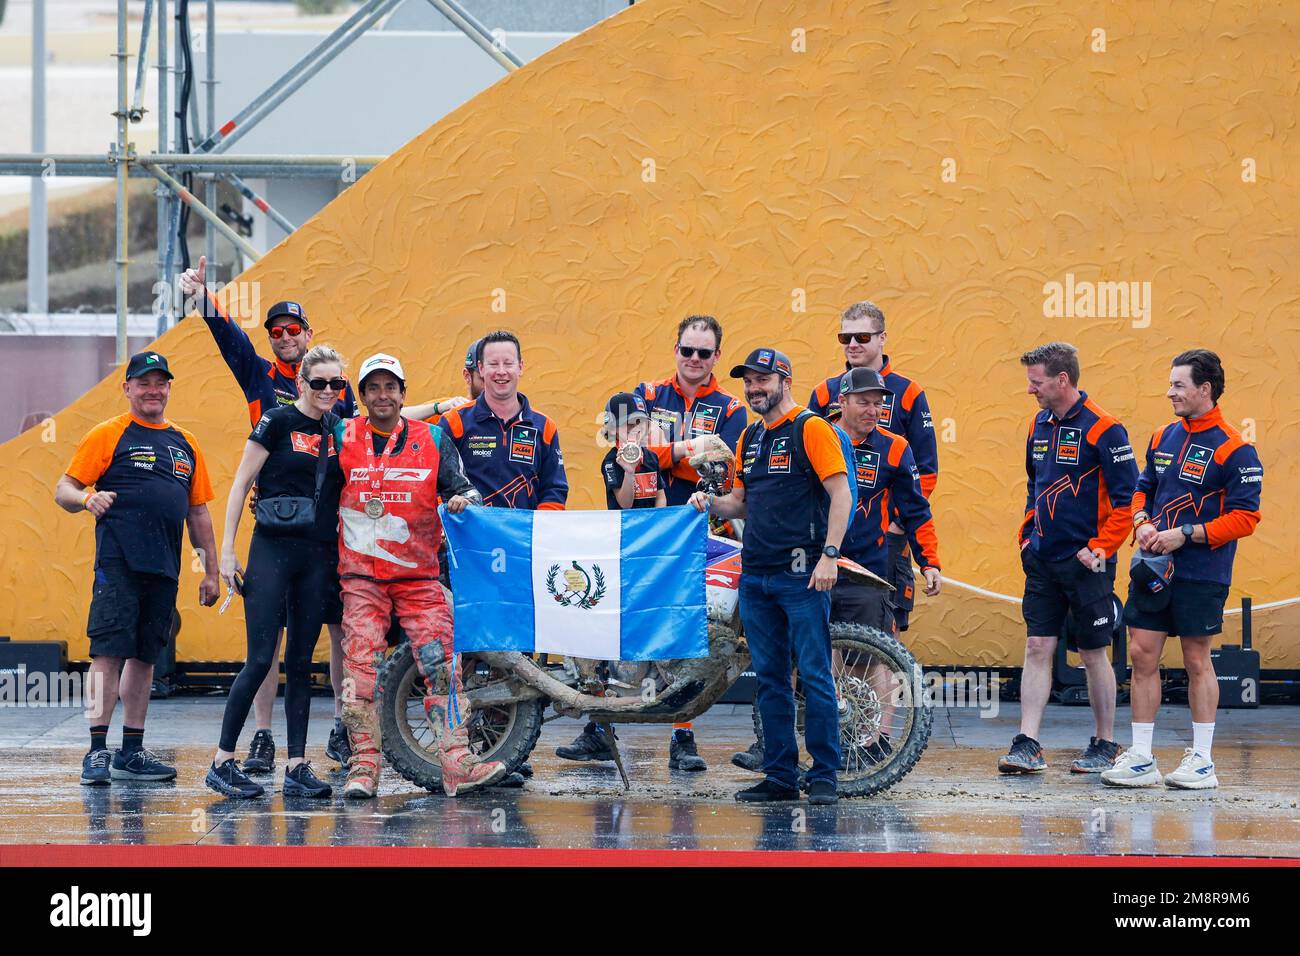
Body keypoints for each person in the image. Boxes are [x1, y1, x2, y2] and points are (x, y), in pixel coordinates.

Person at [178, 259, 459, 773]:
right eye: (277, 331)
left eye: (294, 329)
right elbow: (228, 337)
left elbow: (379, 417)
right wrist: (201, 296)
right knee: (266, 648)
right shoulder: (262, 381)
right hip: (274, 530)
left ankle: (337, 732)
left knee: (333, 633)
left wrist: (439, 406)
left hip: (327, 536)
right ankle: (259, 739)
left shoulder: (337, 396)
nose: (285, 337)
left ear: (310, 335)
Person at [334, 353, 507, 798]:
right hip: (361, 578)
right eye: (373, 387)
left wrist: (464, 501)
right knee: (359, 671)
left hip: (419, 576)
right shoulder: (342, 435)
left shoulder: (432, 439)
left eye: (390, 387)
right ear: (362, 396)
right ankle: (363, 768)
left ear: (402, 393)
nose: (383, 395)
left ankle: (456, 763)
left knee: (442, 666)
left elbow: (464, 488)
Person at [689, 347, 852, 806]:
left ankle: (824, 776)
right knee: (771, 679)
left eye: (763, 380)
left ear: (785, 380)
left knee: (815, 675)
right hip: (756, 575)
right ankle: (780, 776)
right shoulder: (751, 437)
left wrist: (830, 556)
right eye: (748, 382)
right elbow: (741, 502)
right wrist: (709, 502)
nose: (754, 388)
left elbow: (840, 495)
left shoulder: (811, 428)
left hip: (802, 576)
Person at [55, 351, 220, 785]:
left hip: (164, 568)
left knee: (146, 658)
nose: (153, 390)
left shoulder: (185, 443)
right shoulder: (109, 434)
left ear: (168, 388)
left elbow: (198, 513)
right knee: (108, 653)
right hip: (118, 564)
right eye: (143, 383)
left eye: (160, 383)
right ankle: (95, 752)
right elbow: (64, 489)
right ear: (127, 388)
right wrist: (87, 499)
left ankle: (132, 751)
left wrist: (211, 571)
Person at [1103, 350, 1263, 790]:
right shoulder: (1161, 436)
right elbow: (1141, 489)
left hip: (1203, 570)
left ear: (1204, 389)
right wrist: (1143, 522)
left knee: (1196, 659)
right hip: (1153, 566)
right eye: (1170, 383)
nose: (1169, 392)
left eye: (1178, 385)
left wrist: (1185, 534)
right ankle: (1140, 756)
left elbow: (1246, 518)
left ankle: (1203, 762)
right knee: (1141, 654)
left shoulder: (1236, 448)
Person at [204, 345, 350, 799]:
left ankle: (297, 765)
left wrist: (446, 406)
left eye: (336, 384)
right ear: (302, 382)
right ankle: (222, 762)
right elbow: (240, 484)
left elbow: (394, 416)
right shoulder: (277, 419)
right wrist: (226, 552)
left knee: (303, 665)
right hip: (271, 550)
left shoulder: (338, 430)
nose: (328, 390)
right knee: (260, 659)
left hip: (316, 556)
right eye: (319, 382)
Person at [556, 394, 711, 772]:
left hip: (649, 554)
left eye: (639, 424)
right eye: (625, 426)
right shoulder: (611, 461)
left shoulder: (654, 459)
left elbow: (658, 499)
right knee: (609, 635)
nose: (633, 432)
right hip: (621, 553)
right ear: (611, 430)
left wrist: (666, 529)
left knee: (668, 634)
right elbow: (624, 504)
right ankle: (599, 726)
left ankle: (682, 733)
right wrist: (626, 469)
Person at [1004, 343, 1138, 775]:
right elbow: (1033, 485)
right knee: (1037, 645)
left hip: (1089, 563)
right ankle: (1028, 743)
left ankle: (1106, 743)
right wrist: (1027, 534)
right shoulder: (1037, 424)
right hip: (1042, 557)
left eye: (1036, 381)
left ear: (1062, 380)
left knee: (1094, 652)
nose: (1030, 389)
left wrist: (1099, 547)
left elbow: (1128, 500)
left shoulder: (1106, 429)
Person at [808, 301, 938, 633]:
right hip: (827, 540)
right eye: (845, 337)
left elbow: (926, 473)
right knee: (822, 636)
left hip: (884, 539)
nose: (853, 345)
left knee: (883, 633)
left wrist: (896, 523)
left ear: (882, 339)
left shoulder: (908, 392)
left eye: (862, 337)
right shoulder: (825, 391)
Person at [439, 330, 568, 510]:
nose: (501, 371)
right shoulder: (454, 422)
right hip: (470, 535)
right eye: (493, 364)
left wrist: (538, 530)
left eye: (508, 363)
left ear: (520, 367)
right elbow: (435, 482)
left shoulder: (544, 427)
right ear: (481, 368)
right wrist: (452, 513)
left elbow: (554, 489)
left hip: (523, 536)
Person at [636, 315, 748, 507]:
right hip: (647, 520)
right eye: (687, 351)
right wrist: (690, 448)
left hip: (700, 520)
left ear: (717, 356)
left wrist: (660, 456)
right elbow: (631, 457)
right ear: (676, 350)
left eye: (704, 353)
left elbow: (723, 476)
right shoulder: (647, 395)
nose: (694, 358)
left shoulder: (733, 409)